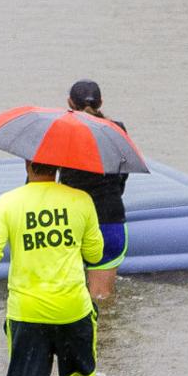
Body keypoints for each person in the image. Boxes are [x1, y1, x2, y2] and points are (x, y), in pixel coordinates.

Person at [0, 158, 104, 376]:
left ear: (27, 164)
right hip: (73, 311)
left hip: (27, 313)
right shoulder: (81, 200)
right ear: (58, 166)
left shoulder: (7, 202)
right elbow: (95, 255)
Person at [59, 79, 130, 303]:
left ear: (70, 102)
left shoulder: (61, 130)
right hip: (110, 217)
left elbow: (43, 175)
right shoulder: (117, 130)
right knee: (102, 300)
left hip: (71, 220)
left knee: (68, 298)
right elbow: (123, 175)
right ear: (101, 102)